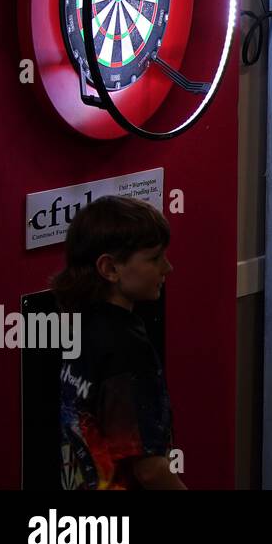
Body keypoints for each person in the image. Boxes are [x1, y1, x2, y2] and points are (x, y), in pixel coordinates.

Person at [52, 196, 185, 490]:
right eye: (154, 258)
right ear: (110, 268)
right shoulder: (129, 349)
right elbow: (149, 469)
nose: (168, 268)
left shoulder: (76, 324)